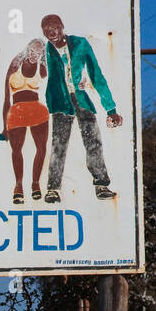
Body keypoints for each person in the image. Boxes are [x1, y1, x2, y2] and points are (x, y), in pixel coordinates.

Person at [40, 14, 122, 202]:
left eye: (55, 27)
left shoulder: (79, 44)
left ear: (62, 27)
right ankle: (53, 189)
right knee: (58, 143)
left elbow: (96, 74)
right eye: (47, 30)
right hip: (60, 102)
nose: (52, 33)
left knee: (93, 139)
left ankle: (101, 184)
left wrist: (110, 109)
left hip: (81, 98)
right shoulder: (46, 50)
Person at [0, 38, 49, 204]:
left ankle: (35, 183)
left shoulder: (43, 67)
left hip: (37, 110)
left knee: (41, 148)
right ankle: (18, 186)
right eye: (32, 51)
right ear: (27, 49)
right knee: (16, 149)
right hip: (17, 111)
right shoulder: (15, 63)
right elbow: (6, 98)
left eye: (38, 53)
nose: (34, 55)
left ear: (42, 54)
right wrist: (4, 127)